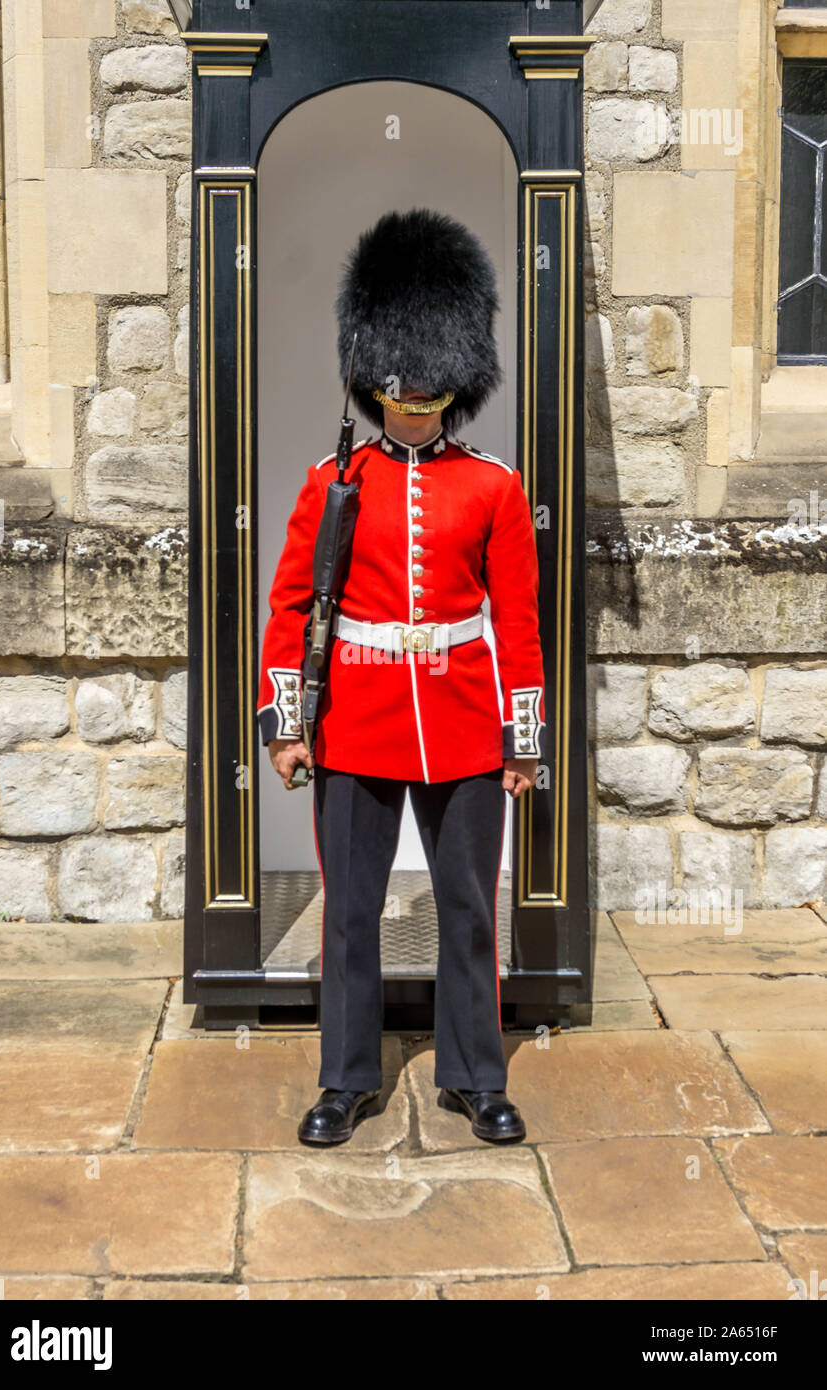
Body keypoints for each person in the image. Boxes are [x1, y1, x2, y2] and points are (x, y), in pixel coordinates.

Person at [257, 209, 545, 1146]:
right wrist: (287, 724)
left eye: (426, 394)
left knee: (466, 909)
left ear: (452, 387)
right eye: (396, 392)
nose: (411, 405)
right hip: (358, 726)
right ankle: (345, 1079)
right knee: (352, 914)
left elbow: (519, 625)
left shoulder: (493, 487)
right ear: (372, 381)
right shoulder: (329, 482)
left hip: (463, 726)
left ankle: (473, 1076)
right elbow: (291, 611)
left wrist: (522, 738)